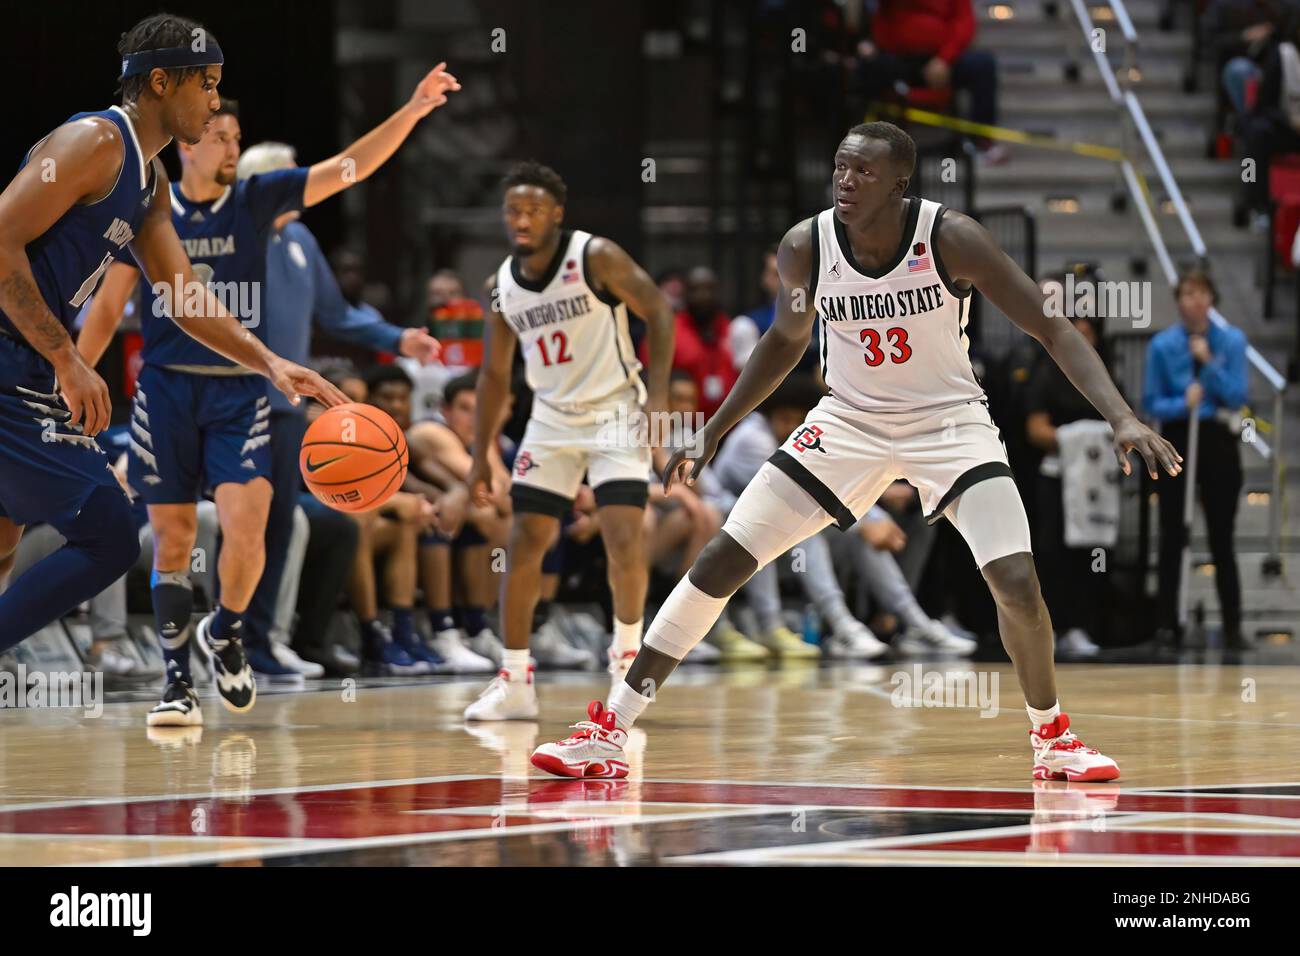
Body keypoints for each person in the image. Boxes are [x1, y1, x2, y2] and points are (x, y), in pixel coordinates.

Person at [532, 121, 1181, 782]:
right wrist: (716, 426)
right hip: (848, 422)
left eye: (864, 171)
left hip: (948, 423)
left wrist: (1122, 417)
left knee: (1015, 581)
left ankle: (1052, 738)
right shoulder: (804, 246)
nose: (846, 180)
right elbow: (785, 342)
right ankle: (608, 727)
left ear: (900, 183)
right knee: (722, 556)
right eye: (840, 167)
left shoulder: (952, 238)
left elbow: (1050, 326)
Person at [77, 52, 458, 724]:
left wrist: (415, 110)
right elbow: (107, 310)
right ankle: (176, 683)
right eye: (222, 137)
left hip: (240, 393)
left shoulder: (256, 200)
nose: (233, 147)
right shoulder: (149, 206)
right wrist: (73, 377)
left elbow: (351, 168)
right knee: (170, 540)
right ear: (190, 144)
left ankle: (225, 629)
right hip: (166, 391)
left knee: (245, 536)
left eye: (237, 139)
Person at [0, 13, 343, 672]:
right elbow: (4, 240)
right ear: (161, 81)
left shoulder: (148, 180)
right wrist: (67, 358)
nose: (215, 102)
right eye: (207, 84)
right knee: (106, 535)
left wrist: (271, 362)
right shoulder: (94, 141)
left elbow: (184, 298)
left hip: (26, 365)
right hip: (12, 361)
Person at [464, 160, 675, 720]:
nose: (522, 219)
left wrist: (657, 405)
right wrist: (480, 455)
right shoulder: (500, 287)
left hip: (614, 410)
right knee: (526, 538)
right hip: (551, 418)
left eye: (534, 209)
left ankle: (627, 669)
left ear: (557, 213)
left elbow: (657, 309)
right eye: (513, 210)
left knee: (623, 534)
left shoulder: (595, 256)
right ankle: (514, 680)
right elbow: (492, 376)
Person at [235, 140, 438, 678]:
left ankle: (264, 642)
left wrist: (399, 339)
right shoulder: (238, 237)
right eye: (292, 174)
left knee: (280, 523)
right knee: (248, 524)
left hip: (287, 410)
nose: (304, 181)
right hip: (236, 404)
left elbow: (338, 314)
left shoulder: (300, 238)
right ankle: (232, 641)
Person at [1143, 270, 1249, 648]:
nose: (1196, 300)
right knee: (1173, 533)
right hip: (1177, 439)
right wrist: (1180, 402)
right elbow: (1151, 401)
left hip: (1217, 441)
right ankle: (1168, 624)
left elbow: (1238, 395)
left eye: (1203, 292)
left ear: (1212, 298)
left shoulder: (1232, 341)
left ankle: (1234, 626)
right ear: (1179, 300)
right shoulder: (1162, 345)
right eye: (1189, 293)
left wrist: (1211, 366)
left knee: (1223, 536)